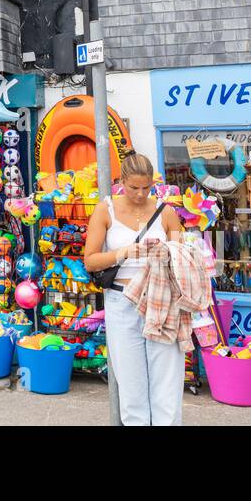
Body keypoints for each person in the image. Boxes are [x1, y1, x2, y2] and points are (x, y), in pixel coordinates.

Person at [84, 151, 185, 425]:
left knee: (167, 386)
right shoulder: (106, 210)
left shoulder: (166, 212)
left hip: (161, 303)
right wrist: (126, 252)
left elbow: (183, 256)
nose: (140, 194)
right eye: (134, 188)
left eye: (147, 187)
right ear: (122, 181)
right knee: (131, 386)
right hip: (121, 302)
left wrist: (168, 254)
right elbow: (90, 261)